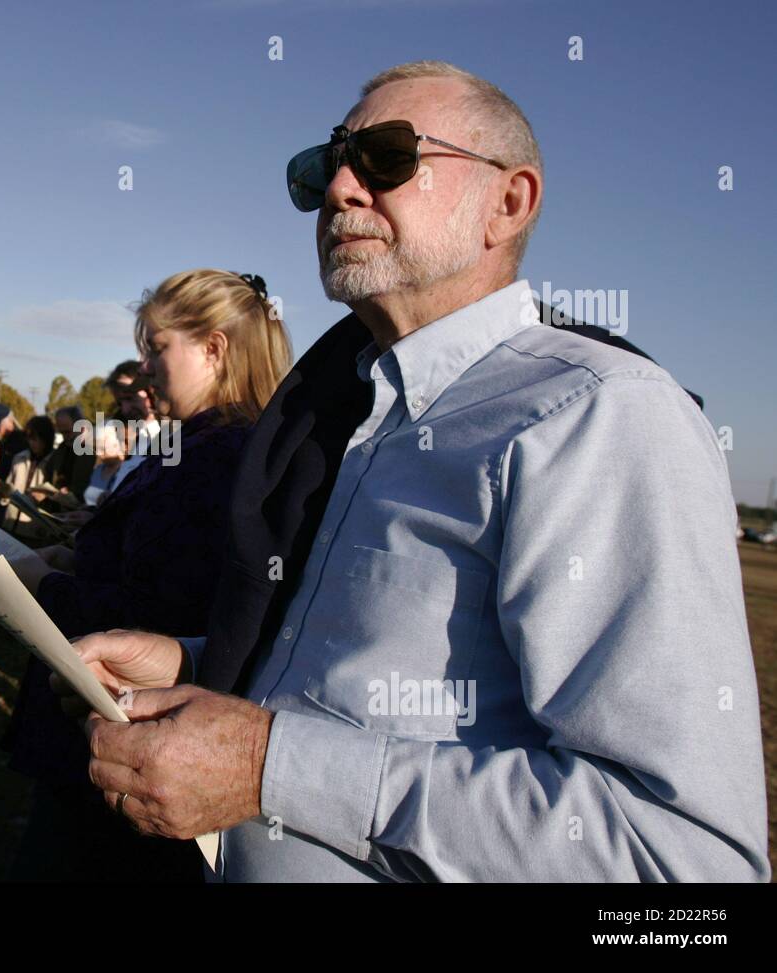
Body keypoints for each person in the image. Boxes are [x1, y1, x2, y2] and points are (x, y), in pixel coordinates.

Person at [64, 61, 770, 882]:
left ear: (508, 203)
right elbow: (362, 686)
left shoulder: (598, 414)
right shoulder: (355, 411)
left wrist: (269, 767)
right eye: (323, 168)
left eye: (388, 157)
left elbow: (683, 865)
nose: (341, 190)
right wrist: (193, 663)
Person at [3, 268, 291, 882]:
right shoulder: (200, 444)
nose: (146, 367)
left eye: (158, 348)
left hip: (125, 740)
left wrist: (36, 582)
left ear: (213, 349)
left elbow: (157, 618)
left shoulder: (216, 457)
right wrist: (76, 552)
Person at [0, 415, 61, 544]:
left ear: (46, 439)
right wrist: (2, 491)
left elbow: (60, 498)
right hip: (10, 523)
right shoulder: (19, 457)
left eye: (36, 439)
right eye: (30, 439)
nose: (32, 443)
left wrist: (46, 497)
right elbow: (9, 486)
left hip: (35, 529)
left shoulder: (55, 462)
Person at [47, 406, 95, 503]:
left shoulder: (95, 453)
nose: (65, 437)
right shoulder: (61, 450)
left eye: (68, 432)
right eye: (62, 432)